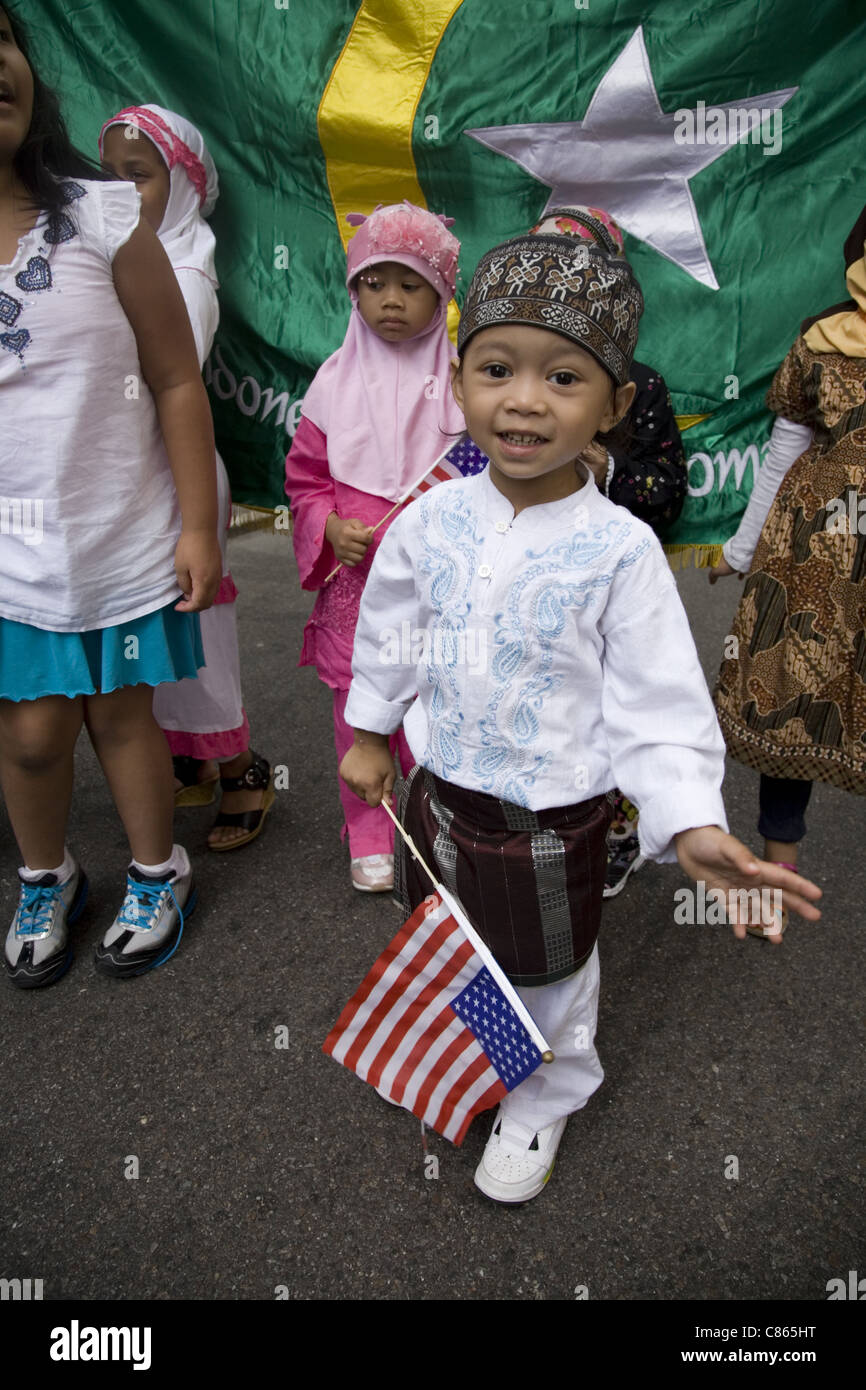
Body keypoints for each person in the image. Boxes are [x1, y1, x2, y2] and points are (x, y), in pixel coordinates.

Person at [338, 229, 821, 1203]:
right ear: (459, 380)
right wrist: (363, 730)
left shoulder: (618, 552)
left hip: (553, 820)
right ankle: (480, 1056)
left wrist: (689, 817)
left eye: (562, 377)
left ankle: (547, 1091)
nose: (522, 399)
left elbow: (658, 705)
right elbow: (390, 625)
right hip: (439, 796)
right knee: (457, 940)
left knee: (551, 972)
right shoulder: (430, 521)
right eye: (495, 369)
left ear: (615, 403)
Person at [0, 8, 221, 987]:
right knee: (34, 731)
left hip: (119, 536)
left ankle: (154, 870)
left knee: (122, 716)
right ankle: (46, 874)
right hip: (9, 555)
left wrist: (200, 523)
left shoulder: (97, 214)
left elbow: (176, 378)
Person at [98, 104, 273, 852]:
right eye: (105, 174)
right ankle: (186, 760)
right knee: (144, 639)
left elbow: (154, 377)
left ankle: (242, 769)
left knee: (192, 636)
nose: (117, 191)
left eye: (136, 176)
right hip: (122, 479)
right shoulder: (112, 254)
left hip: (175, 481)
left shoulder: (185, 272)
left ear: (182, 185)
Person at [285, 201, 464, 892]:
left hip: (435, 578)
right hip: (355, 583)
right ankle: (370, 831)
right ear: (353, 287)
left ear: (442, 294)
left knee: (436, 699)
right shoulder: (331, 382)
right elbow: (304, 479)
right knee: (356, 706)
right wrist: (329, 527)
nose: (390, 301)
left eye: (410, 284)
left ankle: (433, 827)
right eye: (373, 282)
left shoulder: (463, 380)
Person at [711, 202, 866, 930]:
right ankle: (777, 875)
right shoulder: (824, 338)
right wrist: (743, 549)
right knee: (790, 706)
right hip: (813, 563)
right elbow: (783, 452)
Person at [529, 207, 688, 899]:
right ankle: (538, 817)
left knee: (614, 706)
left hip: (609, 586)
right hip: (531, 577)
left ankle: (618, 831)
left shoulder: (640, 386)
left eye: (578, 276)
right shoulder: (511, 372)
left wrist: (609, 470)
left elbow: (667, 493)